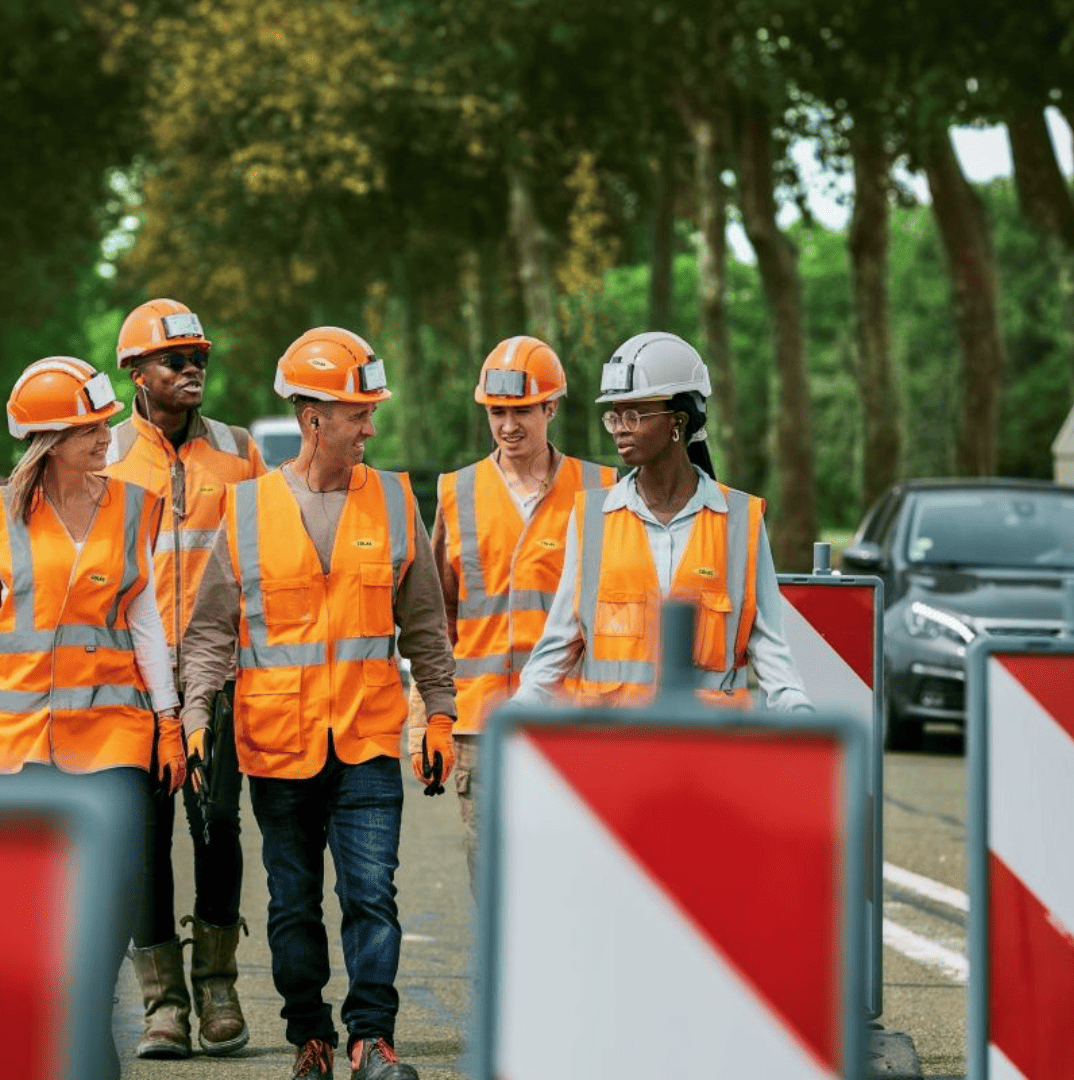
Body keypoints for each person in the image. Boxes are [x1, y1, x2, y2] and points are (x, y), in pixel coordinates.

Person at [178, 326, 457, 1080]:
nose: (371, 426)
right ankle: (313, 1037)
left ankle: (372, 1038)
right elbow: (208, 634)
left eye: (371, 412)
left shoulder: (397, 502)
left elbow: (425, 628)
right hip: (277, 745)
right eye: (358, 412)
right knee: (294, 908)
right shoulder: (245, 513)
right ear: (313, 420)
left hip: (366, 738)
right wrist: (196, 720)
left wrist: (439, 715)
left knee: (372, 896)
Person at [0, 355, 187, 1078]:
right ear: (49, 441)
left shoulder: (134, 507)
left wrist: (169, 718)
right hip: (21, 739)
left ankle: (85, 1011)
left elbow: (143, 618)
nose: (106, 436)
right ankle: (58, 1028)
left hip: (113, 729)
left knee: (118, 882)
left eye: (106, 423)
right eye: (89, 429)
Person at [102, 298, 266, 1058]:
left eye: (201, 357)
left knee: (218, 825)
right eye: (175, 361)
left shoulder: (238, 452)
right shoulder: (99, 458)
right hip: (130, 683)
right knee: (143, 840)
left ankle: (218, 986)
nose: (193, 370)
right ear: (135, 374)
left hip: (219, 679)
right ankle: (162, 1002)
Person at [512, 331, 812, 711]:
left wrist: (799, 712)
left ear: (678, 422)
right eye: (614, 415)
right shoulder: (592, 520)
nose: (620, 426)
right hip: (616, 748)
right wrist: (518, 714)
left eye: (634, 414)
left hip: (708, 751)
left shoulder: (740, 521)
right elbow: (559, 643)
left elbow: (770, 647)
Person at [429, 336, 615, 889]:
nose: (508, 426)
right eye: (498, 413)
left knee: (567, 875)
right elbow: (438, 621)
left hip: (572, 722)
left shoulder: (599, 492)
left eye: (521, 412)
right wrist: (429, 719)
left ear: (550, 408)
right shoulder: (456, 493)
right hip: (482, 728)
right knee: (491, 879)